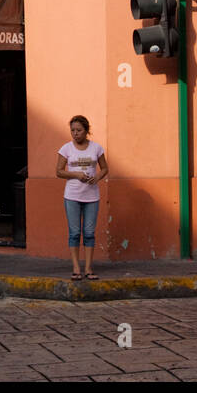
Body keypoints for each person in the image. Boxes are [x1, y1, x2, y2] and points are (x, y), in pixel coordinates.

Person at [55, 115, 108, 281]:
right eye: (72, 130)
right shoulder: (66, 149)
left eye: (79, 130)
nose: (75, 133)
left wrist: (97, 177)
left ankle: (89, 268)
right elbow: (59, 171)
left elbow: (104, 168)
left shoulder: (96, 148)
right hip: (72, 196)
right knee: (75, 233)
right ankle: (76, 268)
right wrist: (76, 175)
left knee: (89, 233)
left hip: (92, 197)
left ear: (86, 131)